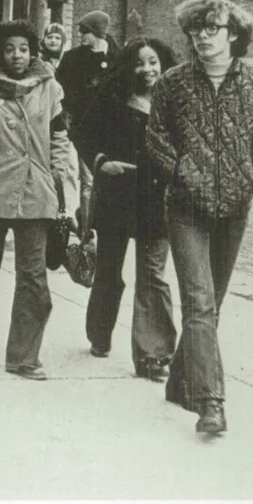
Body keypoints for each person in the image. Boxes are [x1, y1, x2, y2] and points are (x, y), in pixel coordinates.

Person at [147, 0, 253, 435]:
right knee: (198, 301)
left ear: (234, 33)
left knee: (211, 306)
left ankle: (180, 381)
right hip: (186, 208)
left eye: (211, 28)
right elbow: (156, 139)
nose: (201, 36)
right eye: (194, 29)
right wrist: (183, 171)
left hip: (235, 207)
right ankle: (210, 402)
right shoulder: (172, 83)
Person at [0, 20, 71, 380]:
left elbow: (59, 135)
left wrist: (59, 175)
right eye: (9, 49)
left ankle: (23, 357)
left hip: (35, 189)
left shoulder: (50, 86)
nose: (17, 55)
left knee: (33, 275)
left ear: (32, 50)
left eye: (23, 48)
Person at [73, 36, 178, 377]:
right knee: (108, 272)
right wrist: (101, 162)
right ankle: (100, 334)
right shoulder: (113, 98)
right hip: (118, 197)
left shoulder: (175, 103)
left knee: (152, 277)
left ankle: (152, 355)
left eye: (153, 62)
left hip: (157, 200)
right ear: (129, 67)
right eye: (140, 63)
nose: (147, 69)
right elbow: (83, 134)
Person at [56, 10, 118, 128]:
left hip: (110, 126)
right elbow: (60, 89)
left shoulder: (118, 58)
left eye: (84, 31)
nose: (80, 35)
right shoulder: (71, 58)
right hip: (80, 124)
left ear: (97, 32)